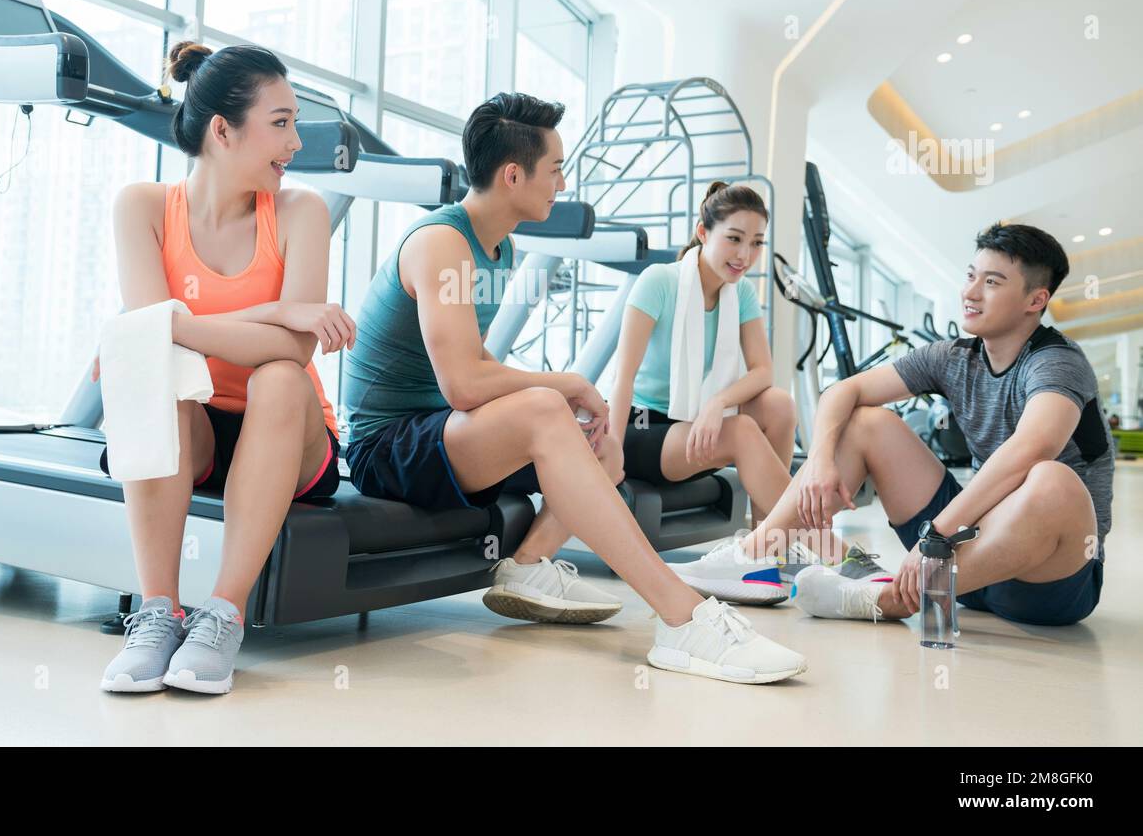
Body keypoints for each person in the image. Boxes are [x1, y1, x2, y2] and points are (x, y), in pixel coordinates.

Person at [341, 92, 807, 684]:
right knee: (545, 406)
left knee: (584, 432)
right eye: (555, 168)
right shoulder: (442, 243)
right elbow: (461, 384)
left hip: (438, 433)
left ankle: (526, 565)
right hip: (387, 445)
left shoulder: (498, 245)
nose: (563, 180)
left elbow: (470, 354)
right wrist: (563, 384)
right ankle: (683, 616)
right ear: (514, 175)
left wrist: (579, 410)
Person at [97, 42, 355, 694]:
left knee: (276, 378)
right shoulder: (144, 208)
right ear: (222, 130)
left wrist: (174, 325)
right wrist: (274, 310)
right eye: (281, 122)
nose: (296, 141)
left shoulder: (301, 212)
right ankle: (157, 613)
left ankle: (223, 613)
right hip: (198, 422)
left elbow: (292, 353)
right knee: (160, 377)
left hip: (290, 433)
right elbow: (156, 348)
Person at [744, 223, 1111, 628]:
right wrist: (818, 461)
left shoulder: (1057, 361)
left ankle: (890, 598)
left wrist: (935, 537)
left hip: (1044, 583)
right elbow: (842, 391)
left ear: (1035, 299)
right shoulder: (953, 357)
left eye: (992, 282)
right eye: (971, 276)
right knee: (867, 422)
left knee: (1051, 480)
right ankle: (751, 556)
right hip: (965, 561)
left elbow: (1031, 448)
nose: (971, 292)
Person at [605, 181, 805, 605]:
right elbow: (622, 377)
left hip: (699, 426)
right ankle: (812, 545)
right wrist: (610, 454)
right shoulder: (659, 281)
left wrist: (717, 403)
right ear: (702, 232)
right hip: (647, 429)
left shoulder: (741, 293)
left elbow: (763, 371)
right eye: (733, 238)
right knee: (744, 431)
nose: (744, 255)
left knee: (780, 406)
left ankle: (762, 554)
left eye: (755, 243)